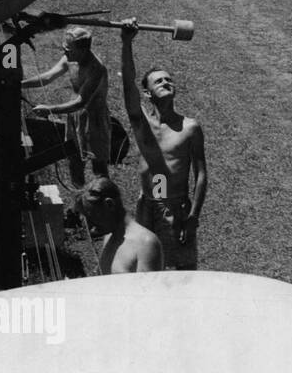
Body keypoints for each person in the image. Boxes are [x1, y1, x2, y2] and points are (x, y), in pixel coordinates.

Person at [120, 19, 207, 269]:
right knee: (146, 269)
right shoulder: (142, 124)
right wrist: (126, 43)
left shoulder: (190, 127)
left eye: (169, 80)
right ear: (147, 94)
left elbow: (201, 174)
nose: (166, 83)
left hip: (175, 206)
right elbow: (128, 84)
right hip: (146, 203)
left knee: (182, 271)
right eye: (158, 81)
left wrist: (193, 218)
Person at [22, 26, 112, 185]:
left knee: (99, 168)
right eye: (64, 48)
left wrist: (50, 109)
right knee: (74, 162)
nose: (64, 52)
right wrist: (20, 84)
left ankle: (103, 204)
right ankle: (79, 203)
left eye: (68, 49)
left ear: (83, 50)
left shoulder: (96, 69)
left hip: (94, 120)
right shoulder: (70, 59)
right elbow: (48, 77)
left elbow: (81, 102)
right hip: (75, 117)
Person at [78, 177, 162, 274]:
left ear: (109, 204)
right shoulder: (108, 237)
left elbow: (147, 288)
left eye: (92, 217)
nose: (91, 228)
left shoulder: (145, 244)